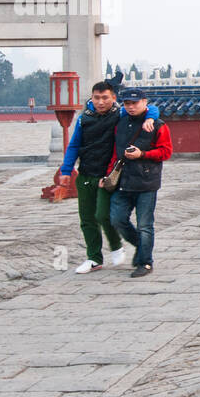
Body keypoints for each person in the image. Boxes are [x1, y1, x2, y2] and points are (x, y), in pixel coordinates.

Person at [58, 81, 159, 274]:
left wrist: (151, 118)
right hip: (85, 172)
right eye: (97, 98)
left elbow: (150, 108)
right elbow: (74, 145)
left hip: (107, 176)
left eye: (105, 97)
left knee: (104, 216)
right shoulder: (84, 118)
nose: (101, 102)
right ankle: (94, 258)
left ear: (113, 98)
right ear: (92, 98)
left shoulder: (119, 114)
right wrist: (65, 171)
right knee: (87, 219)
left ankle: (120, 246)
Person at [106, 87, 173, 278]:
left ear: (145, 102)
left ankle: (145, 262)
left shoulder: (158, 125)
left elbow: (166, 152)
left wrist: (142, 154)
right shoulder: (120, 123)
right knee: (117, 219)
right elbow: (115, 152)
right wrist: (108, 174)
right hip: (124, 180)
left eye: (134, 103)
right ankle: (140, 246)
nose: (131, 107)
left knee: (145, 224)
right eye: (127, 103)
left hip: (146, 181)